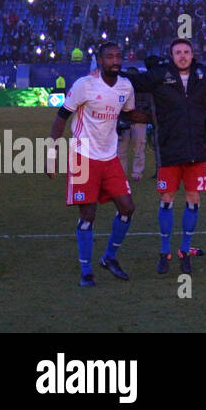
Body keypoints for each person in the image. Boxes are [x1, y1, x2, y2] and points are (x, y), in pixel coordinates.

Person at [124, 39, 206, 275]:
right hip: (169, 149)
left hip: (196, 149)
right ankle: (165, 252)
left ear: (192, 54)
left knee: (193, 199)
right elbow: (132, 80)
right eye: (178, 52)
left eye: (186, 52)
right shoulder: (159, 75)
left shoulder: (203, 74)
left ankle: (184, 251)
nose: (182, 56)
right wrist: (105, 73)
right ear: (171, 55)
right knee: (167, 199)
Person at [46, 42, 151, 286]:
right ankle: (86, 272)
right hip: (83, 157)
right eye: (109, 57)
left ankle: (109, 257)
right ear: (99, 60)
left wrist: (156, 117)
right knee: (88, 215)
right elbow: (61, 117)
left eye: (118, 56)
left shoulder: (126, 86)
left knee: (127, 208)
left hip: (109, 156)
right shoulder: (85, 85)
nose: (115, 61)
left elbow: (128, 113)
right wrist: (51, 154)